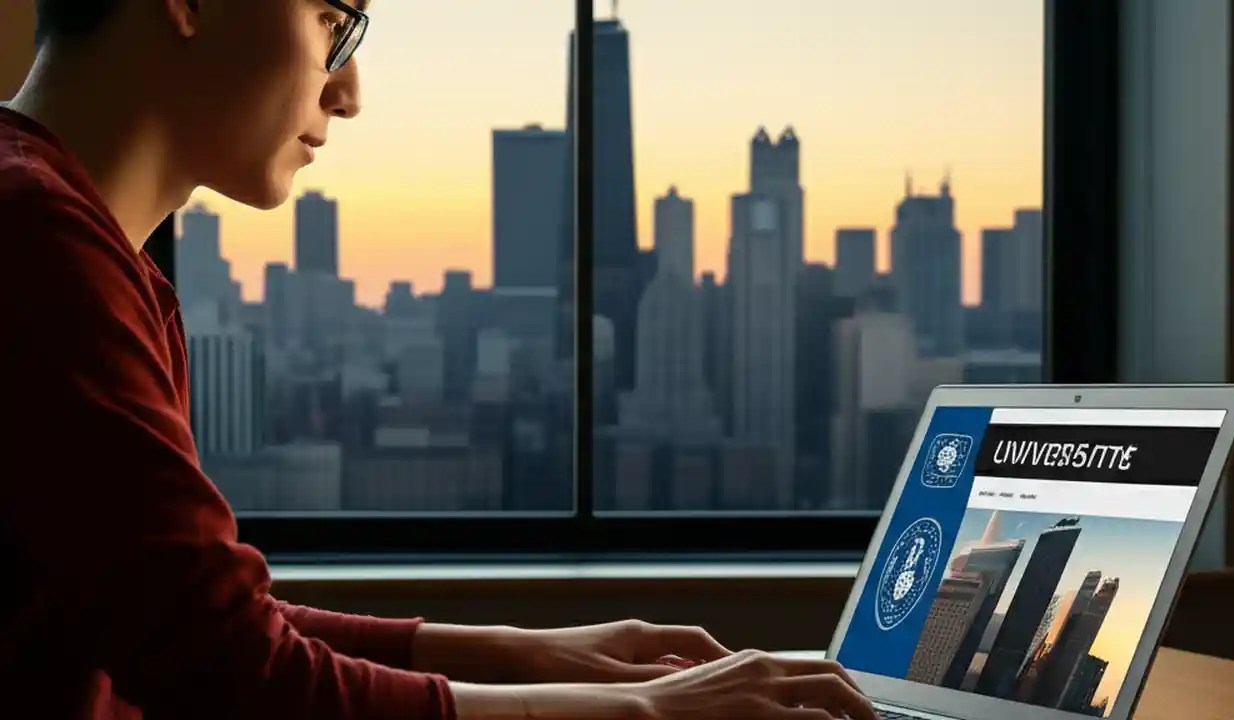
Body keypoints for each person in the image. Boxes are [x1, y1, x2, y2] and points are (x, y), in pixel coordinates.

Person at [0, 1, 878, 718]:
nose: (348, 91)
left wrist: (528, 653)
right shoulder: (38, 243)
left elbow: (190, 616)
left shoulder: (76, 243)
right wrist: (646, 712)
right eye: (330, 22)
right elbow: (225, 667)